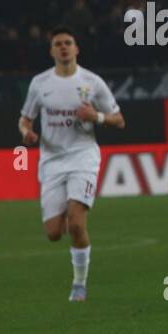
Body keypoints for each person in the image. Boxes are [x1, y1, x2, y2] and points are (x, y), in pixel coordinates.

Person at [17, 27, 126, 301]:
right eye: (58, 44)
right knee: (54, 233)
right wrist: (25, 133)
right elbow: (25, 118)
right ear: (51, 51)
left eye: (68, 43)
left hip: (83, 156)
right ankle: (66, 208)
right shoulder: (39, 84)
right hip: (51, 161)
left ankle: (79, 284)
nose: (64, 47)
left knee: (77, 224)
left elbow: (119, 120)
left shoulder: (92, 82)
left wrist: (96, 117)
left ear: (77, 49)